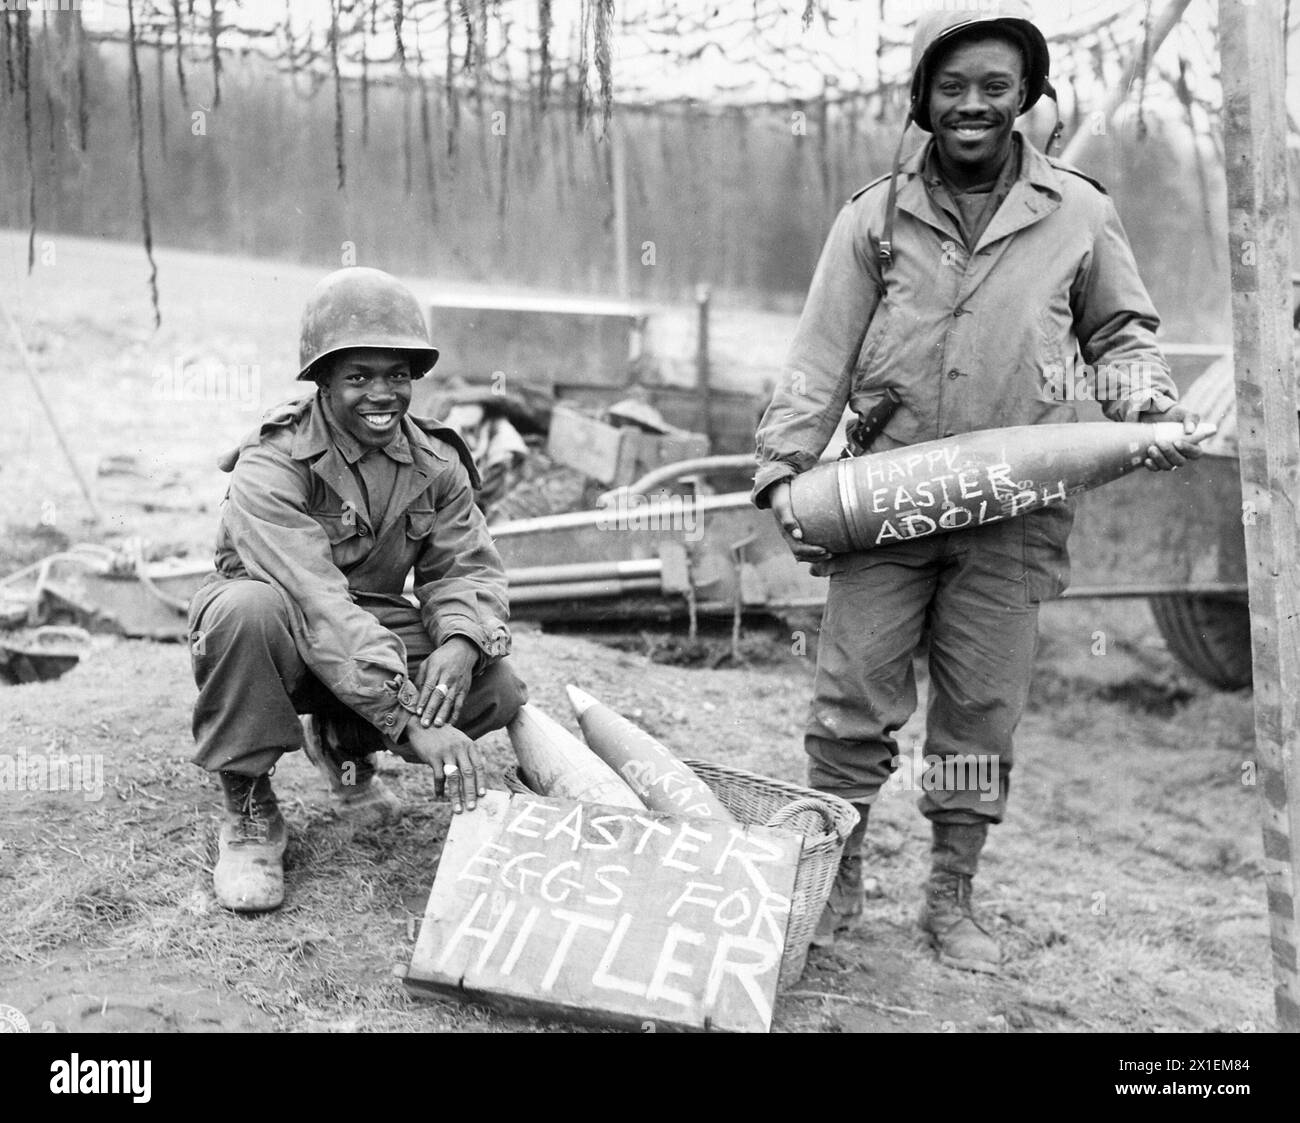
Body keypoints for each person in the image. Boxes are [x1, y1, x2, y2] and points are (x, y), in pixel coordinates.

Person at [752, 1, 1202, 972]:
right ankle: (837, 875)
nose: (973, 104)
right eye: (952, 86)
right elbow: (819, 354)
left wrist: (1139, 398)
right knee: (850, 701)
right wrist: (785, 469)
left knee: (978, 711)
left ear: (1027, 98)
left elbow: (1120, 332)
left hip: (1015, 516)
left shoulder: (1077, 211)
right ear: (923, 99)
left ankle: (949, 894)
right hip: (884, 501)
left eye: (994, 86)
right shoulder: (872, 216)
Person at [187, 266, 527, 913]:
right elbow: (314, 598)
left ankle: (343, 739)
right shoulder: (272, 462)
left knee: (495, 684)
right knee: (243, 612)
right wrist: (407, 716)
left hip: (363, 630)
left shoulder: (435, 461)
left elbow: (465, 567)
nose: (382, 393)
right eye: (359, 376)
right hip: (281, 625)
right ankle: (251, 806)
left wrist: (460, 638)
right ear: (320, 381)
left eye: (396, 374)